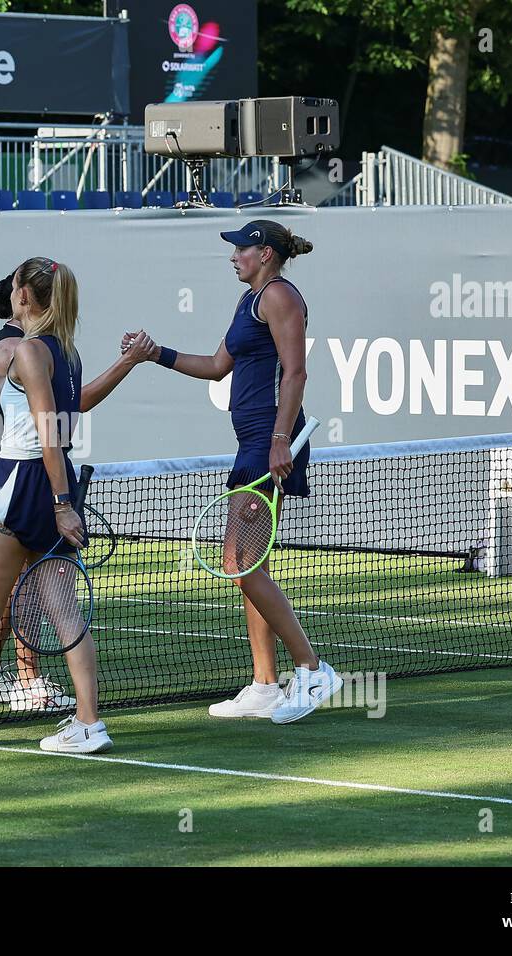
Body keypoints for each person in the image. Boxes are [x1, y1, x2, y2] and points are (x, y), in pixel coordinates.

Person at [0, 257, 157, 751]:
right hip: (54, 479)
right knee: (66, 611)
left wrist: (62, 503)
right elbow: (7, 395)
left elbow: (47, 429)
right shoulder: (63, 350)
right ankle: (89, 723)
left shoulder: (27, 350)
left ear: (22, 295)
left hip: (23, 482)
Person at [132, 220, 341, 724]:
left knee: (238, 564)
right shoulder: (249, 300)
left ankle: (313, 669)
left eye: (241, 250)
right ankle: (265, 683)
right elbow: (215, 366)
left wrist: (278, 441)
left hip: (269, 445)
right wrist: (152, 353)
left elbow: (296, 372)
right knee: (250, 567)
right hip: (254, 443)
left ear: (265, 254)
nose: (233, 257)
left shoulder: (280, 297)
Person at [0, 275, 76, 714]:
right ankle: (15, 681)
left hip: (45, 475)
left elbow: (68, 411)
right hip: (16, 471)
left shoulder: (57, 349)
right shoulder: (15, 346)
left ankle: (23, 684)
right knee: (6, 598)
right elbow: (8, 405)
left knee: (34, 598)